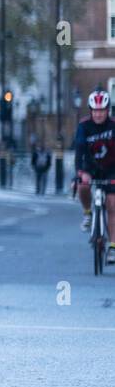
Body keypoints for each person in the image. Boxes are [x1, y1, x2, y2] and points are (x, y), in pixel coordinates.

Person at [73, 89, 115, 263]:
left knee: (112, 204)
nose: (98, 114)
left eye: (102, 110)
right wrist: (80, 172)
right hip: (90, 167)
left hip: (111, 168)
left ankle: (113, 247)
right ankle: (88, 213)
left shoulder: (113, 125)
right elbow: (79, 150)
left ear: (107, 110)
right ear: (91, 111)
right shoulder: (84, 126)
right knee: (82, 186)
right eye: (95, 111)